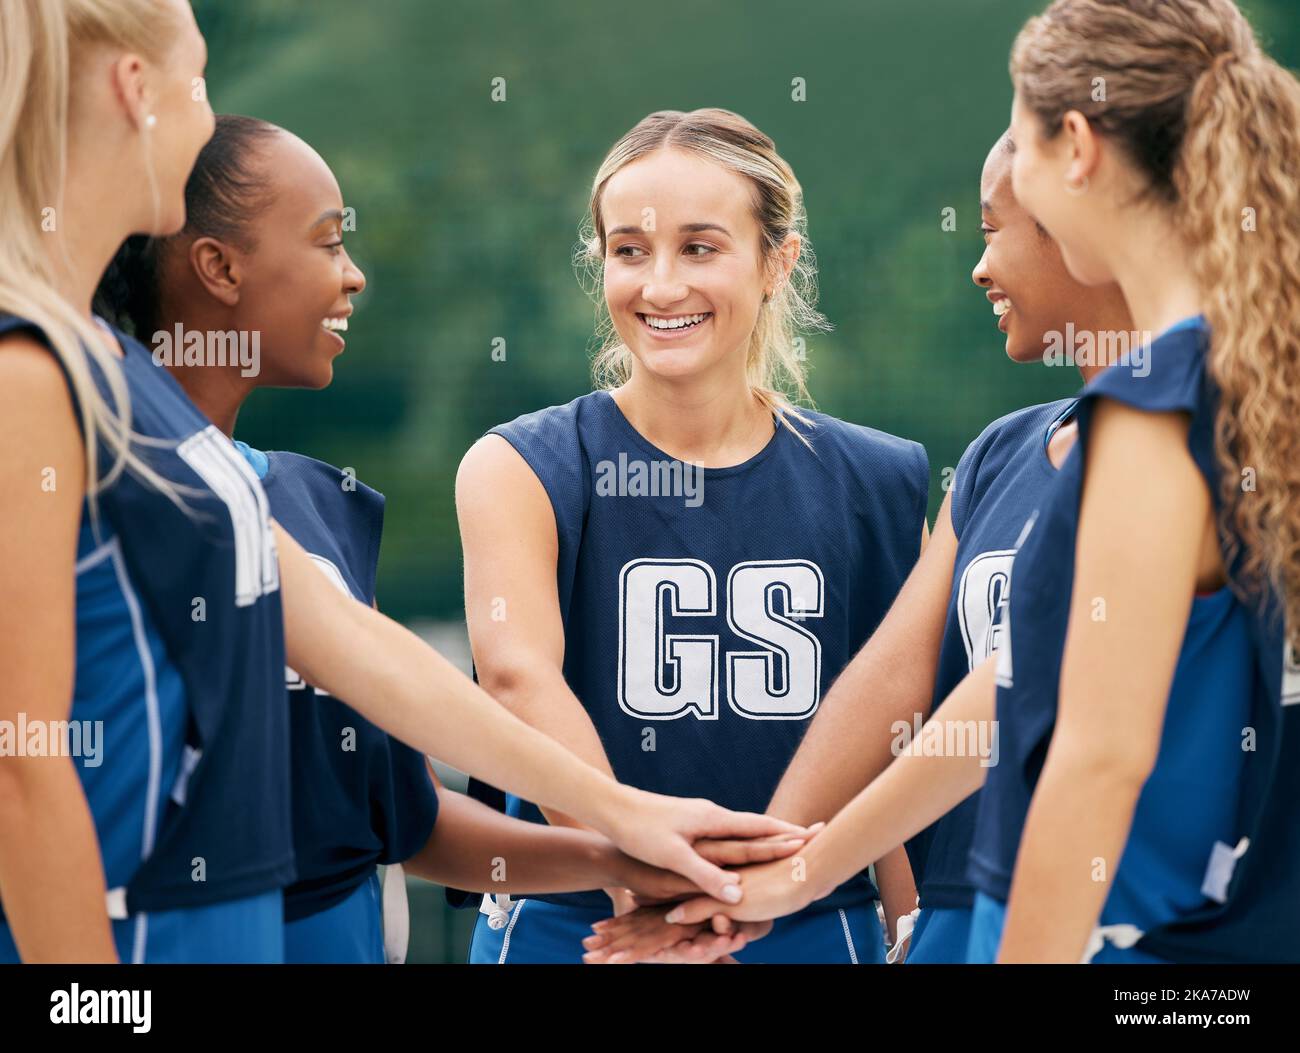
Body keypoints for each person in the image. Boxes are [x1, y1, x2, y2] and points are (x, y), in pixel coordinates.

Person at [0, 0, 801, 964]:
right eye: (201, 82)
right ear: (135, 93)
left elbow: (356, 648)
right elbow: (20, 765)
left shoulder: (106, 372)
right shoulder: (31, 374)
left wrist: (630, 820)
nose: (211, 115)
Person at [589, 0, 1300, 965]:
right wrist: (793, 874)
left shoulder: (1157, 407)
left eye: (1021, 137)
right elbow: (1006, 693)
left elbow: (1097, 761)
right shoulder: (1226, 389)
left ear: (1078, 149)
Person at [584, 129, 1133, 965]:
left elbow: (1014, 686)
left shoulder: (1202, 445)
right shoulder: (997, 456)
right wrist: (759, 875)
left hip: (1140, 907)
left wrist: (796, 876)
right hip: (970, 900)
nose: (980, 268)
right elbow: (894, 676)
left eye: (992, 230)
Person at [455, 107, 929, 963]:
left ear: (776, 261)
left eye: (700, 247)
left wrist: (910, 929)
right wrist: (641, 883)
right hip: (585, 923)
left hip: (815, 921)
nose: (661, 285)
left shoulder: (877, 479)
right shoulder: (520, 466)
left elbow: (894, 729)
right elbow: (517, 679)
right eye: (630, 251)